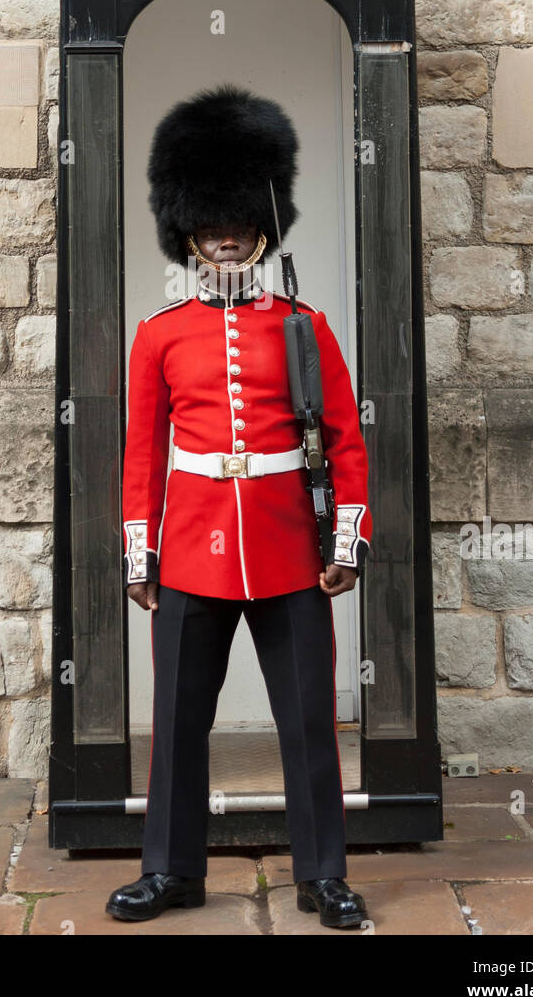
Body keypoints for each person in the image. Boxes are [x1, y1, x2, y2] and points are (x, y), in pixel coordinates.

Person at [105, 82, 374, 930]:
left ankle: (322, 874)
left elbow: (346, 440)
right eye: (211, 226)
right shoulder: (160, 333)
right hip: (189, 548)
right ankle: (173, 872)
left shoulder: (306, 326)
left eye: (239, 224)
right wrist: (140, 550)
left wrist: (347, 538)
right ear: (190, 234)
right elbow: (143, 450)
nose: (226, 237)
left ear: (260, 231)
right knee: (180, 724)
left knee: (307, 722)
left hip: (289, 547)